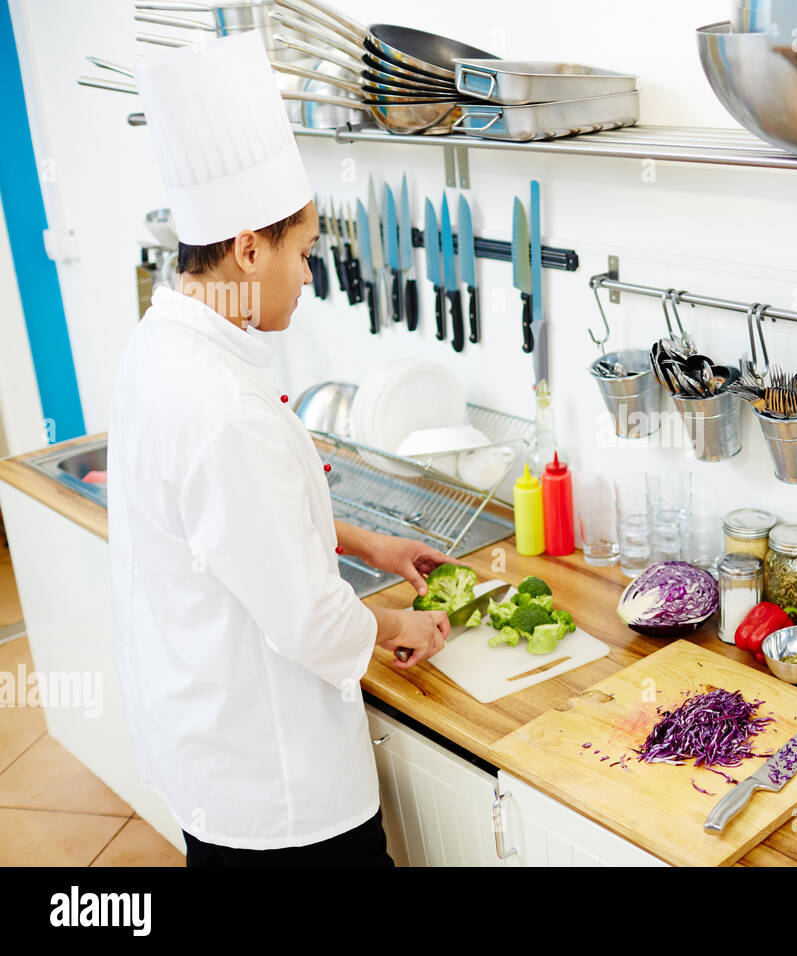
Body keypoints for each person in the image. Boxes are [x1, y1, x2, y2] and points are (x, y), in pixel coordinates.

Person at [107, 31, 449, 866]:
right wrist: (398, 626)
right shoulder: (221, 406)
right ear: (248, 249)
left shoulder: (168, 338)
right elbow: (306, 617)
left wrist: (364, 541)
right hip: (277, 785)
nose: (307, 274)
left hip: (211, 744)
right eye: (300, 252)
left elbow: (244, 527)